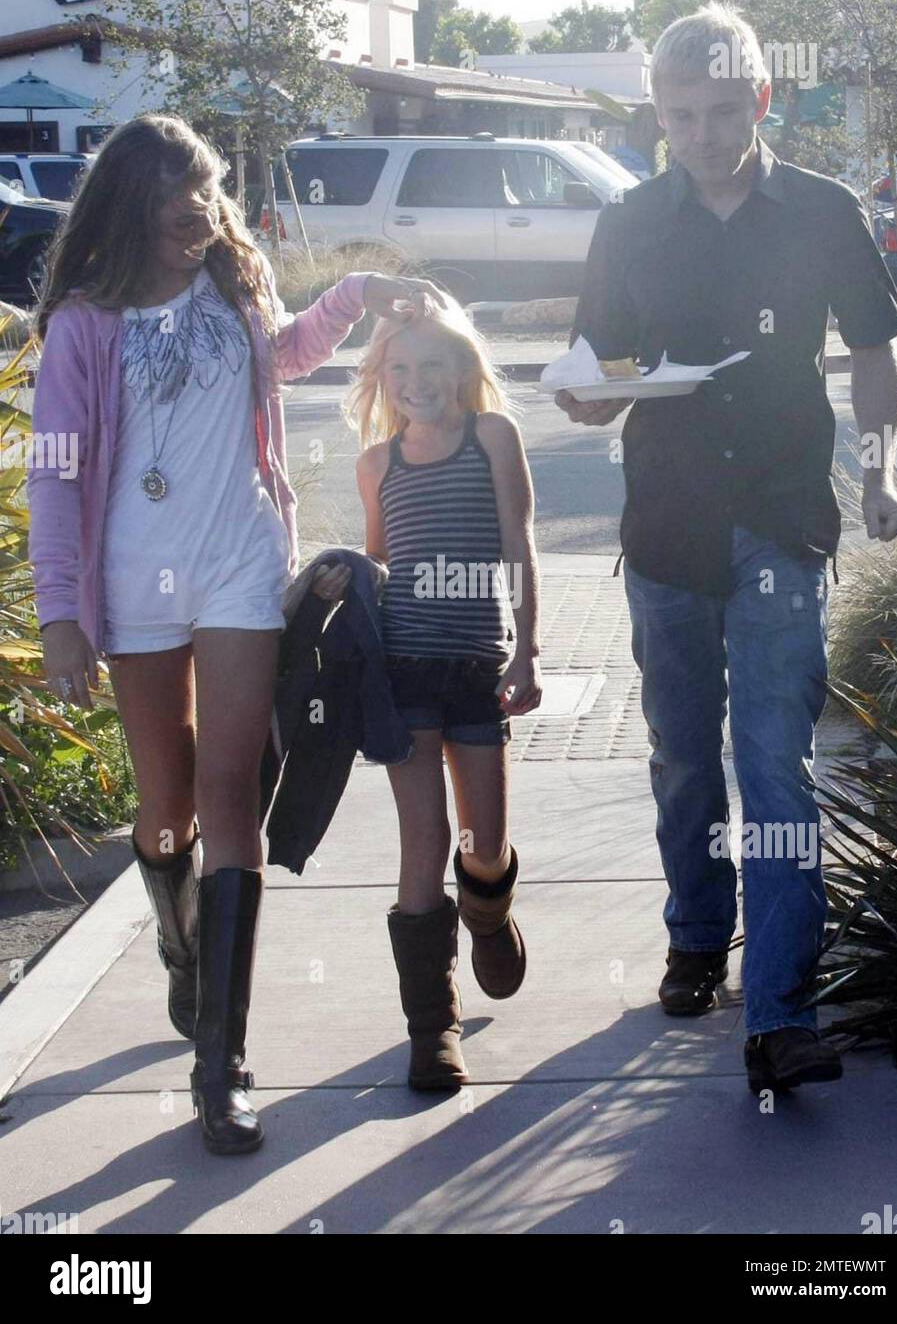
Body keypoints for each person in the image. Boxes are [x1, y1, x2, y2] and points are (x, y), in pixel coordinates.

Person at [27, 112, 444, 1152]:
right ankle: (181, 943)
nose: (202, 219)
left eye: (211, 197)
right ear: (129, 208)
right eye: (181, 207)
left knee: (228, 796)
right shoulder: (85, 323)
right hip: (133, 582)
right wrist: (61, 613)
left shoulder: (232, 284)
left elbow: (291, 354)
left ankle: (223, 1061)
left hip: (241, 568)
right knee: (165, 807)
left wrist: (356, 296)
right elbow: (58, 470)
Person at [557, 3, 897, 1094]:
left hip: (782, 521)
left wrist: (879, 469)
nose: (703, 133)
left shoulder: (822, 211)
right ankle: (697, 935)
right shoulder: (627, 223)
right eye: (680, 116)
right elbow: (597, 365)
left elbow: (871, 352)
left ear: (762, 98)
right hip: (665, 526)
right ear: (657, 114)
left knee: (775, 761)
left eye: (722, 110)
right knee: (678, 754)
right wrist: (587, 395)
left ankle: (780, 1012)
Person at [346, 295, 542, 1088]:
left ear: (463, 370)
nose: (417, 382)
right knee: (421, 848)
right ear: (382, 378)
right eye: (401, 369)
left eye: (434, 366)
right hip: (405, 675)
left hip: (476, 672)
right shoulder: (375, 464)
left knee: (481, 845)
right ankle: (433, 1029)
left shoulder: (490, 437)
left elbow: (518, 545)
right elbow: (378, 567)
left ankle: (489, 911)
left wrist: (527, 651)